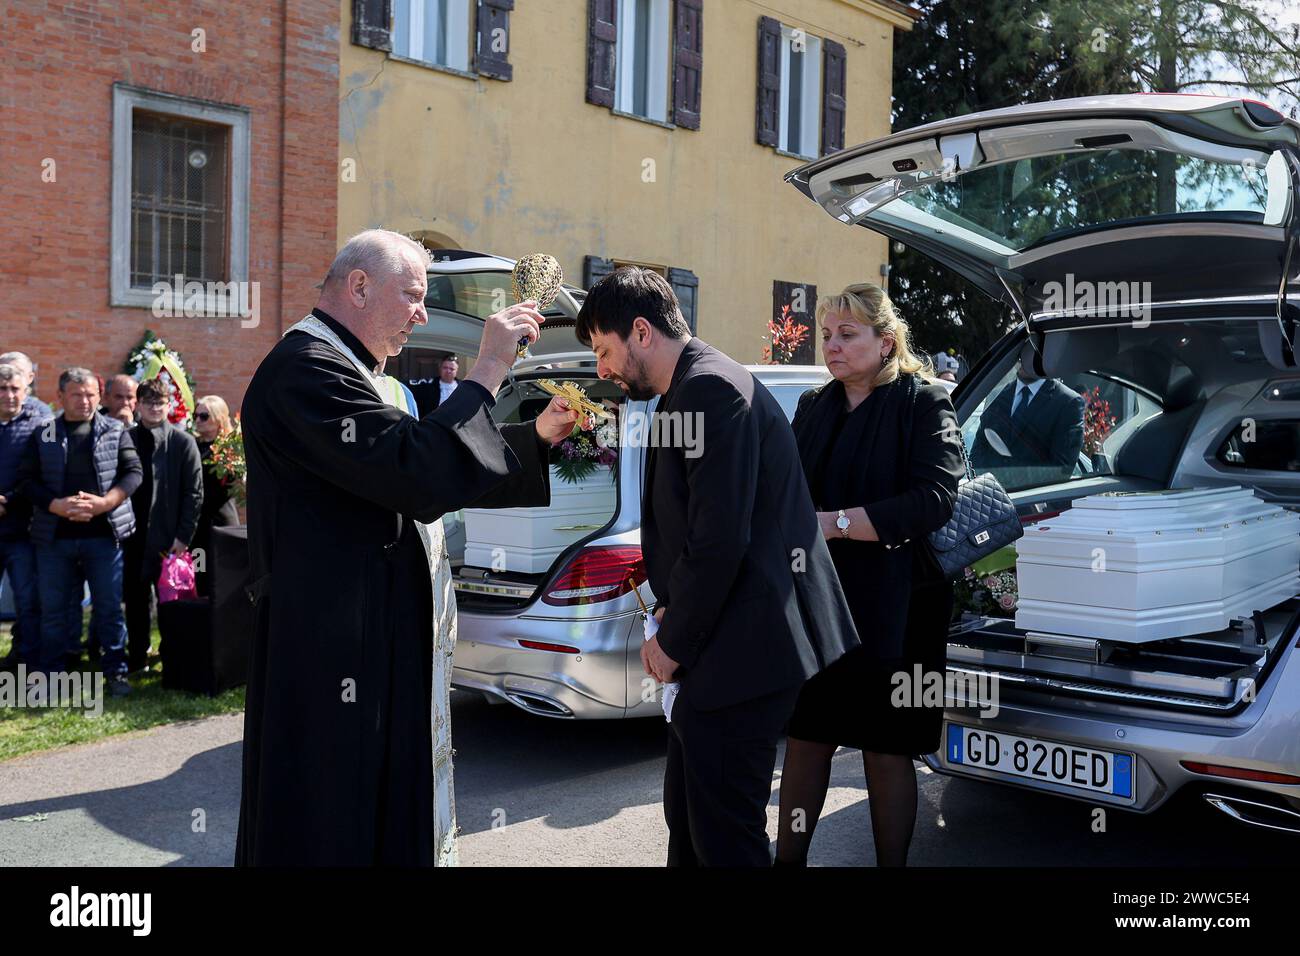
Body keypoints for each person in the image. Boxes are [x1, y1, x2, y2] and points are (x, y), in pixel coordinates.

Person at [235, 229, 582, 866]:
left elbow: (422, 459)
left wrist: (533, 435)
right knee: (331, 817)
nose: (422, 316)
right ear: (359, 286)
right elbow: (414, 472)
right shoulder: (307, 370)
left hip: (371, 639)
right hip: (331, 651)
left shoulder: (364, 375)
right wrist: (489, 369)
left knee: (378, 807)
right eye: (414, 296)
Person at [576, 267, 859, 867]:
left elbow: (719, 539)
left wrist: (672, 643)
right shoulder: (694, 386)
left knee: (724, 841)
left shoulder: (709, 389)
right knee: (690, 823)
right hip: (727, 649)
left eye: (604, 350)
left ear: (642, 331)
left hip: (744, 655)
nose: (601, 370)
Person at [774, 283, 964, 867]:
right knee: (807, 740)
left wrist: (836, 524)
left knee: (887, 749)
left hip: (898, 604)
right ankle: (787, 864)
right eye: (827, 335)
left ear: (886, 341)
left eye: (847, 334)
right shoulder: (814, 405)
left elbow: (935, 497)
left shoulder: (923, 400)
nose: (831, 346)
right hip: (820, 599)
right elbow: (785, 493)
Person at [17, 368, 141, 696]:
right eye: (76, 394)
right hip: (54, 538)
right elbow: (26, 481)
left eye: (90, 394)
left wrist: (105, 503)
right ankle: (53, 674)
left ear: (99, 397)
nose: (84, 401)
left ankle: (116, 671)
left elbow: (133, 473)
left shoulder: (114, 430)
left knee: (110, 607)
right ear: (60, 397)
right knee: (54, 609)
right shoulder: (43, 432)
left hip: (103, 537)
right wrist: (55, 505)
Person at [123, 379, 203, 672]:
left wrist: (183, 536)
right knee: (135, 599)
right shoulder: (127, 439)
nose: (155, 408)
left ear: (169, 405)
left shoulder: (184, 443)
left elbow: (194, 493)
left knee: (172, 602)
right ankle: (137, 658)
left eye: (160, 402)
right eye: (149, 402)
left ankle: (174, 659)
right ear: (138, 405)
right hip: (134, 536)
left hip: (170, 538)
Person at [969, 342, 1084, 486]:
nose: (1026, 357)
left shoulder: (1068, 403)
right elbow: (977, 453)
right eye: (1023, 351)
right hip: (987, 497)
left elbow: (1061, 470)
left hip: (1034, 502)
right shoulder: (997, 395)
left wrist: (1007, 482)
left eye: (1033, 351)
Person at [0, 363, 48, 669]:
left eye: (14, 389)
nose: (8, 395)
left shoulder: (38, 426)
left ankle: (24, 662)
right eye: (2, 389)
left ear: (26, 392)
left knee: (27, 601)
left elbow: (42, 474)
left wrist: (9, 500)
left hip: (21, 530)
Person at [191, 395, 240, 597]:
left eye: (204, 416)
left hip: (221, 522)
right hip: (197, 525)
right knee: (200, 573)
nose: (198, 421)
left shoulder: (231, 449)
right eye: (196, 415)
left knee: (223, 577)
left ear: (219, 418)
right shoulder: (191, 445)